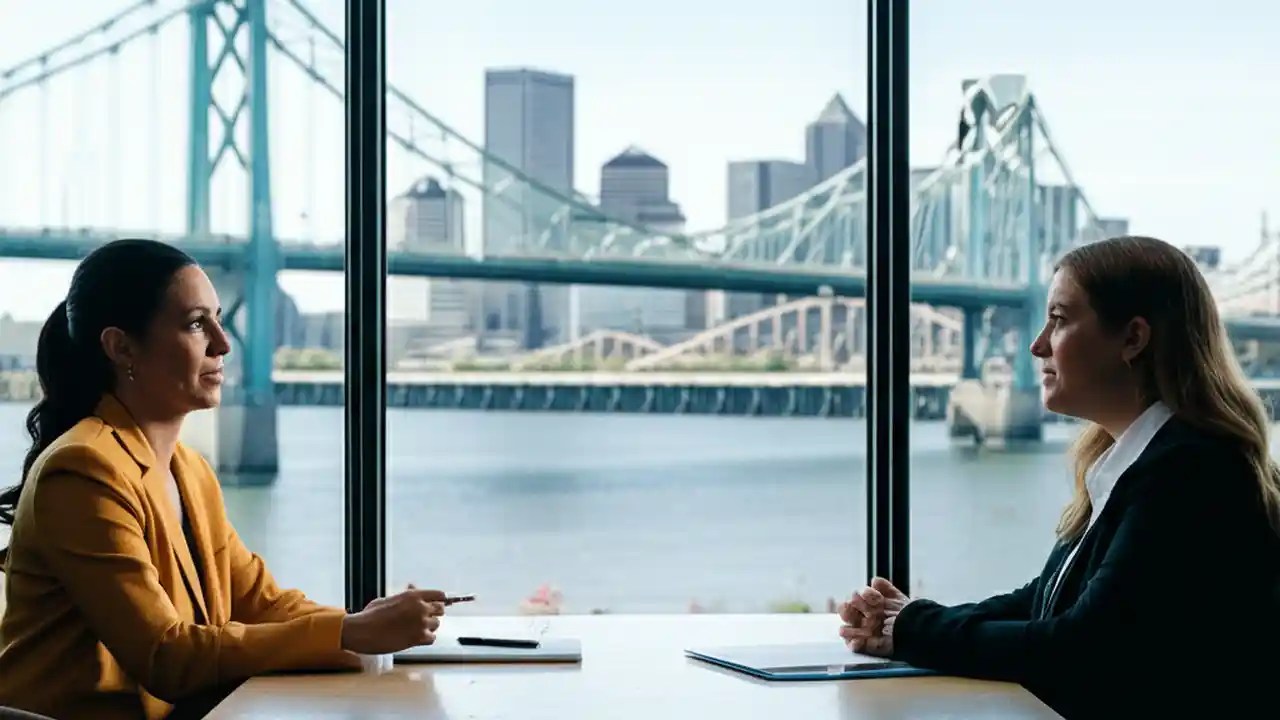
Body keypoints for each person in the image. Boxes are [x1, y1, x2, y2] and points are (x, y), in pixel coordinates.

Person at [0, 240, 448, 720]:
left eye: (218, 317)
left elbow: (261, 602)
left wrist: (363, 623)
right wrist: (351, 634)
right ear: (121, 346)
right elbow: (165, 656)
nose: (224, 342)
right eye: (197, 324)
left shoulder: (189, 469)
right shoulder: (83, 470)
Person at [838, 236, 1280, 718]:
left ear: (1133, 338)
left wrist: (915, 628)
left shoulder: (1191, 473)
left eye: (1060, 319)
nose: (1037, 345)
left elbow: (1080, 648)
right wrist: (907, 621)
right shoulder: (1144, 458)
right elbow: (1047, 599)